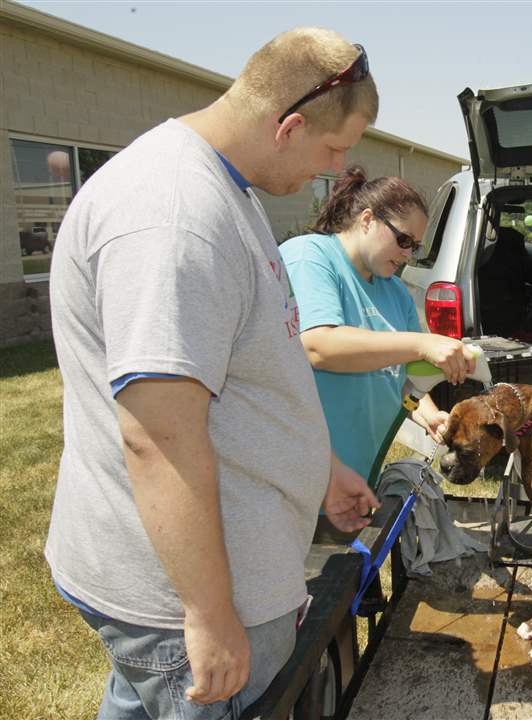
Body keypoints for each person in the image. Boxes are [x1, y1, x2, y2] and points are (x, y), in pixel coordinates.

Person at [46, 28, 382, 719]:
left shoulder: (227, 191)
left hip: (216, 584)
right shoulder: (174, 218)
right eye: (334, 149)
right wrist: (208, 615)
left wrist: (319, 468)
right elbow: (157, 437)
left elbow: (254, 368)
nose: (333, 169)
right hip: (182, 608)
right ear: (288, 126)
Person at [280, 167, 473, 483]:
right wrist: (422, 344)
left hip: (356, 475)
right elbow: (318, 345)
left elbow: (404, 375)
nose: (408, 255)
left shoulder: (394, 290)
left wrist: (428, 414)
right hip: (301, 477)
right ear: (367, 219)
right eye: (403, 239)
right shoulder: (310, 257)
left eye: (416, 247)